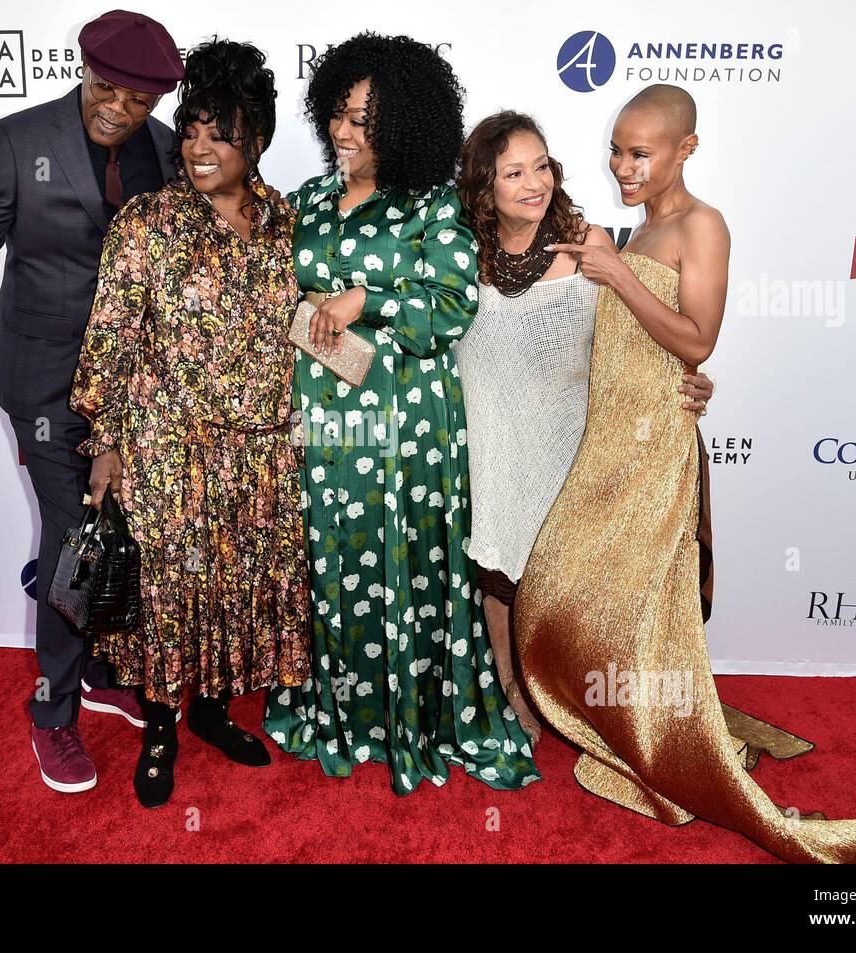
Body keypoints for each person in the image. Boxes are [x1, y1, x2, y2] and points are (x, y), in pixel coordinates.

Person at [513, 85, 856, 862]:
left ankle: (662, 744)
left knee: (633, 602)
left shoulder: (702, 224)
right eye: (616, 150)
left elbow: (697, 339)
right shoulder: (642, 227)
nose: (623, 166)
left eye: (641, 153)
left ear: (687, 149)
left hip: (651, 450)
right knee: (569, 596)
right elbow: (638, 342)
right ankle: (629, 722)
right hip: (609, 438)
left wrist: (617, 274)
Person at [0, 10, 184, 794]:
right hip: (46, 382)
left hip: (132, 391)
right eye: (106, 89)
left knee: (119, 531)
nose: (118, 110)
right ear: (83, 69)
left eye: (138, 100)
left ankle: (98, 671)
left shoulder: (168, 152)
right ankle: (52, 712)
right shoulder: (16, 139)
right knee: (74, 539)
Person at [263, 33, 539, 794]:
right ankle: (341, 710)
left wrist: (369, 299)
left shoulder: (431, 205)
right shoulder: (307, 202)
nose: (344, 132)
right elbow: (274, 294)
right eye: (339, 115)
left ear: (407, 125)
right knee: (332, 561)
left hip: (405, 425)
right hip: (322, 420)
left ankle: (415, 719)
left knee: (405, 565)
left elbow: (453, 306)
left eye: (364, 121)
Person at [69, 40, 311, 808]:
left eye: (221, 135)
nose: (200, 148)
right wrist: (105, 444)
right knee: (170, 597)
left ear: (257, 142)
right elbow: (109, 338)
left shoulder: (288, 224)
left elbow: (314, 329)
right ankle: (159, 730)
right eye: (192, 131)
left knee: (237, 591)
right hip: (167, 453)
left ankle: (212, 710)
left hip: (261, 456)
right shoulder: (148, 222)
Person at [454, 111, 714, 744]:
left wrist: (682, 382)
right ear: (485, 186)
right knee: (497, 573)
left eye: (542, 166)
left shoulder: (588, 242)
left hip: (570, 439)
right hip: (489, 438)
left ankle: (563, 690)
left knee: (563, 573)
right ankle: (512, 689)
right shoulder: (459, 249)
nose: (534, 183)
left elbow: (631, 343)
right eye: (514, 173)